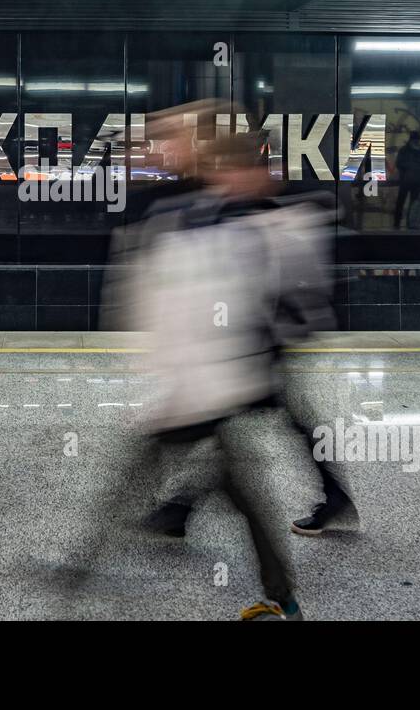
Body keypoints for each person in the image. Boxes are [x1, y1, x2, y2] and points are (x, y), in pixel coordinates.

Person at [73, 132, 336, 619]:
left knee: (143, 473)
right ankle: (281, 593)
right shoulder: (214, 218)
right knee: (238, 489)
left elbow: (246, 308)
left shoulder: (252, 226)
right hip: (211, 385)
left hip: (214, 386)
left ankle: (81, 567)